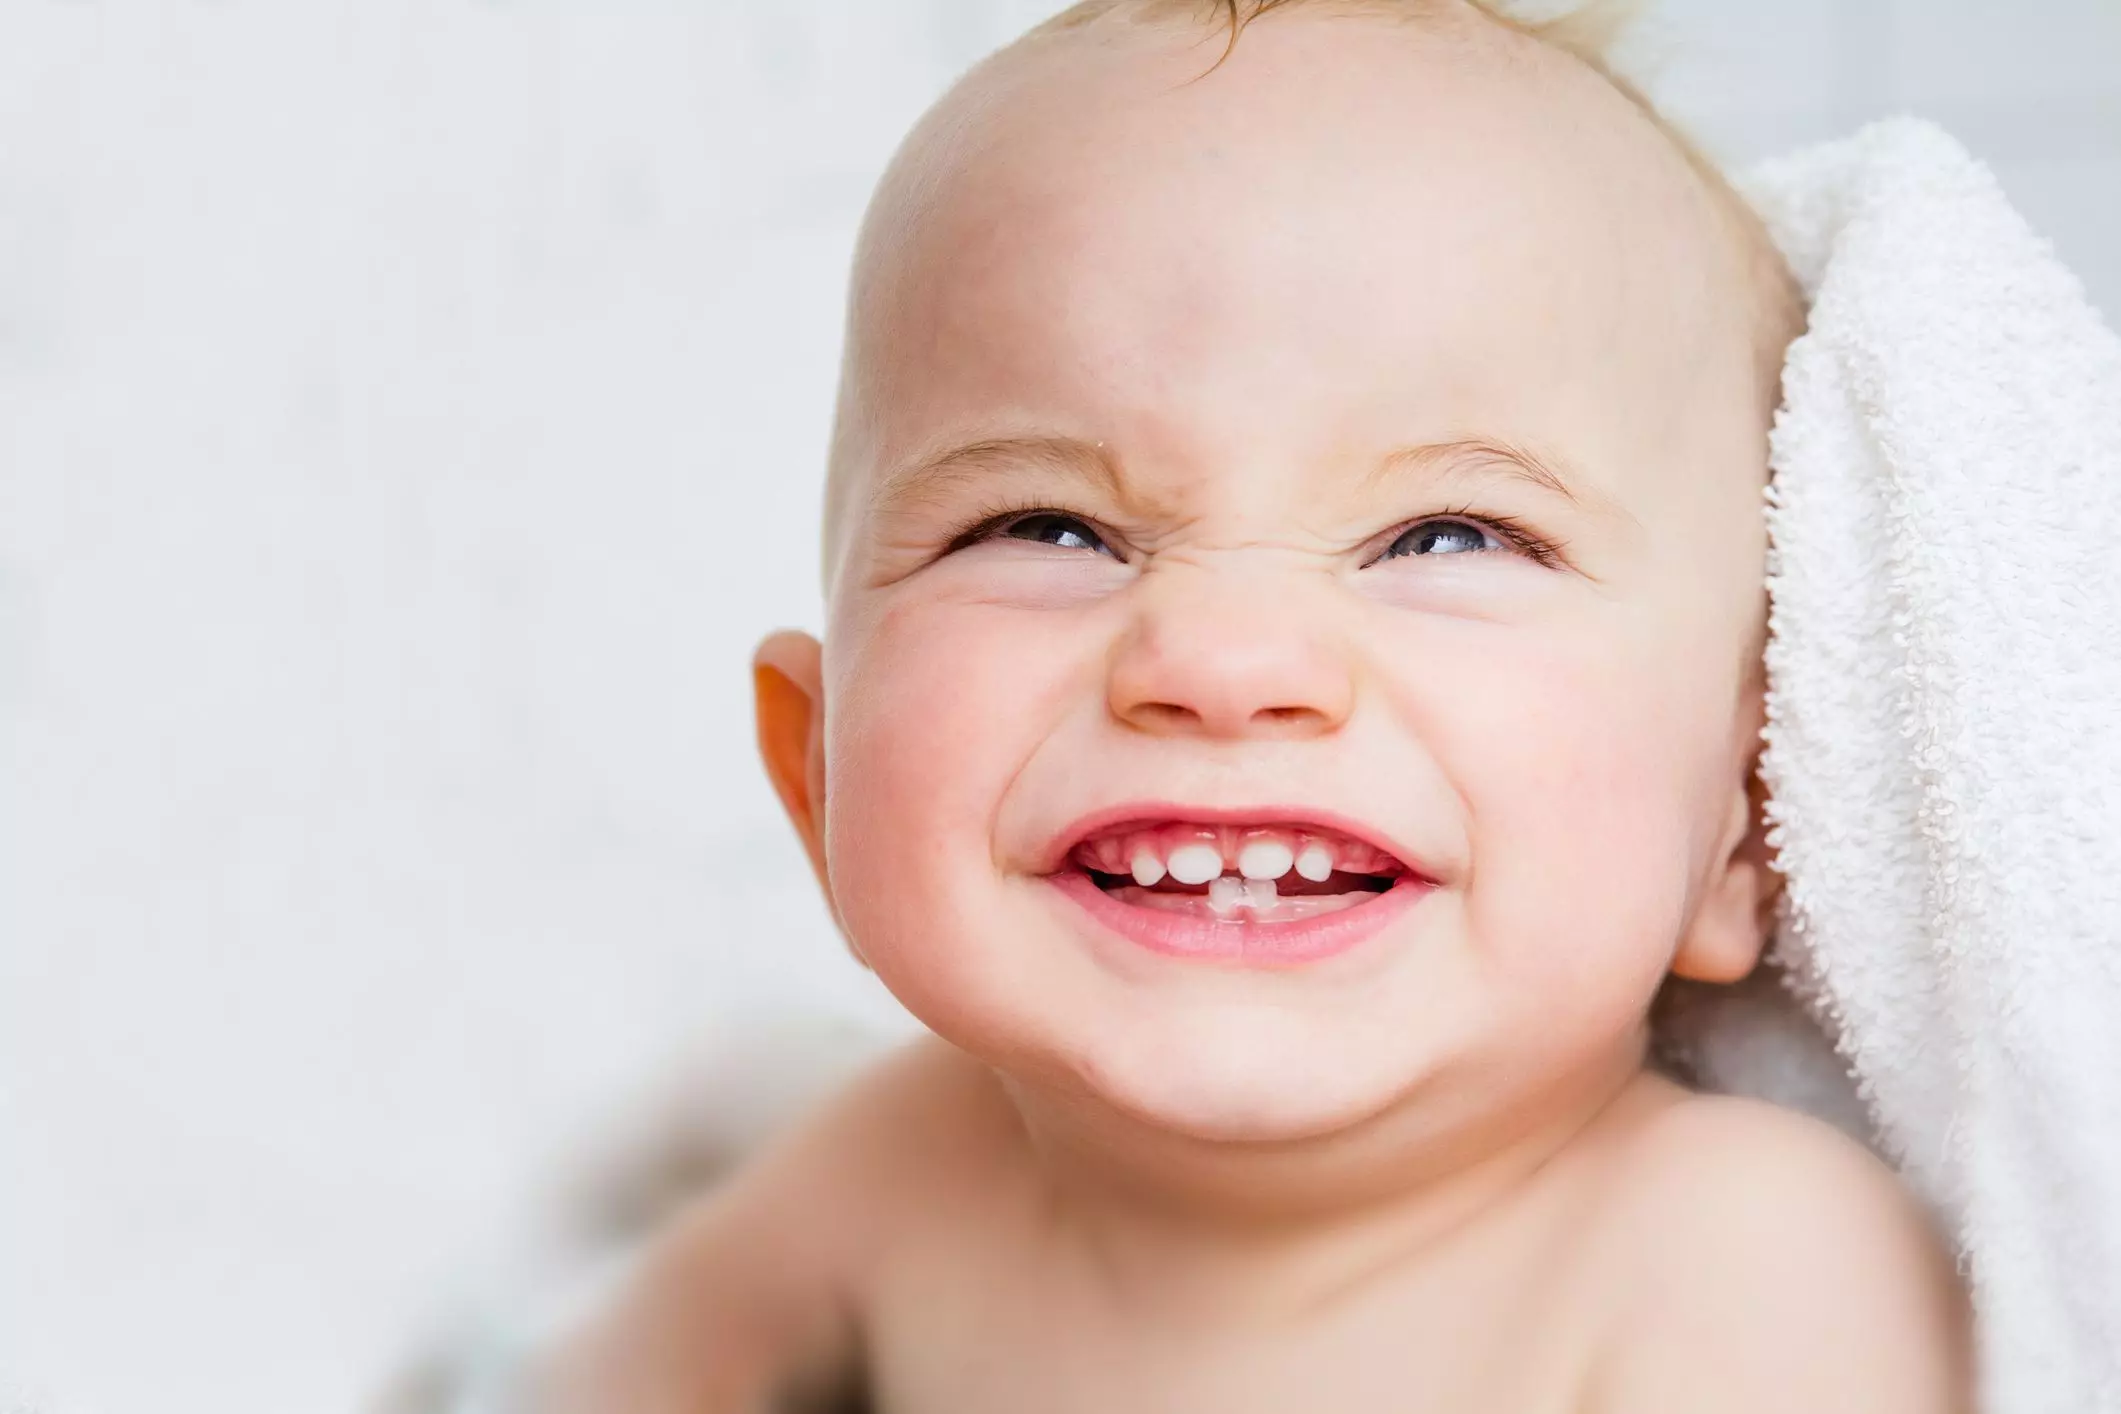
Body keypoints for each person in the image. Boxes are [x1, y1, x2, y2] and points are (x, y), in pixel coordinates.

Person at [537, 2, 1973, 1407]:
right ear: (820, 782)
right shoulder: (888, 1174)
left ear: (1748, 826)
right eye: (1046, 527)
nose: (1223, 661)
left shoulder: (1738, 1265)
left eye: (1447, 538)